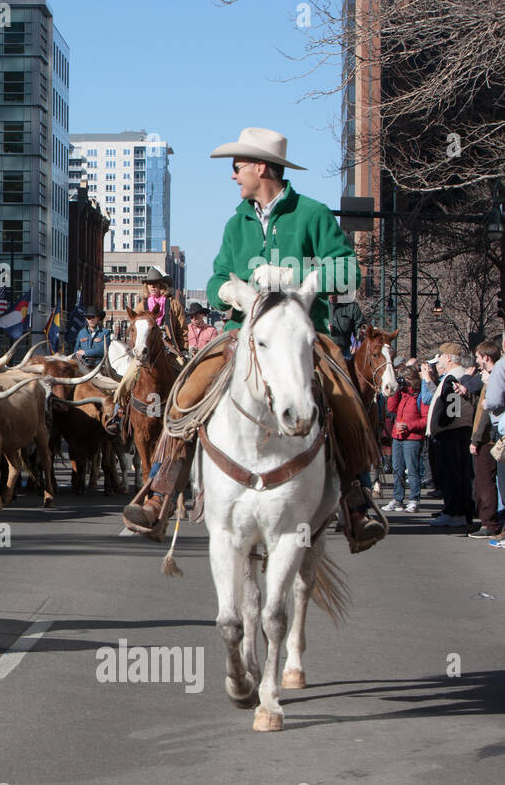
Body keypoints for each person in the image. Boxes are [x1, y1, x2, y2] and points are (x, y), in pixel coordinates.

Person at [121, 126, 385, 551]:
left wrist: (299, 278)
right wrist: (228, 291)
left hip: (303, 329)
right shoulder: (235, 223)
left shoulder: (312, 214)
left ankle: (354, 499)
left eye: (237, 167)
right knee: (186, 391)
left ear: (261, 167)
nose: (233, 176)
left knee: (343, 395)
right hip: (241, 333)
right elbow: (214, 279)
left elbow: (350, 272)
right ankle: (160, 490)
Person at [424, 343, 474, 528]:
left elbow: (453, 409)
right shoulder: (460, 375)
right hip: (457, 432)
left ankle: (455, 512)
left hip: (452, 434)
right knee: (458, 474)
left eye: (441, 358)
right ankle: (457, 510)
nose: (438, 363)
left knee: (452, 475)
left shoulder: (454, 376)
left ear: (449, 358)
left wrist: (440, 425)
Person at [466, 338, 501, 538]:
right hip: (486, 436)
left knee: (485, 482)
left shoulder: (494, 377)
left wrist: (476, 439)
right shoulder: (489, 378)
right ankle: (488, 520)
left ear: (486, 357)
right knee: (483, 482)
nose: (476, 361)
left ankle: (490, 522)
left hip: (488, 438)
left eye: (478, 357)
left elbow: (487, 411)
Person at [384, 369, 427, 513]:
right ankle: (398, 499)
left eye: (405, 378)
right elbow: (391, 407)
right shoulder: (403, 395)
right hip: (398, 437)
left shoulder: (419, 396)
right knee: (397, 470)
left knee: (412, 470)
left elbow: (426, 420)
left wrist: (409, 426)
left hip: (412, 438)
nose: (403, 381)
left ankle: (414, 499)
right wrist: (395, 390)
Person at [328, 290, 365, 359]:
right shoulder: (317, 306)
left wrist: (361, 333)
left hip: (344, 354)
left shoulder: (351, 307)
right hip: (322, 354)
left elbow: (360, 327)